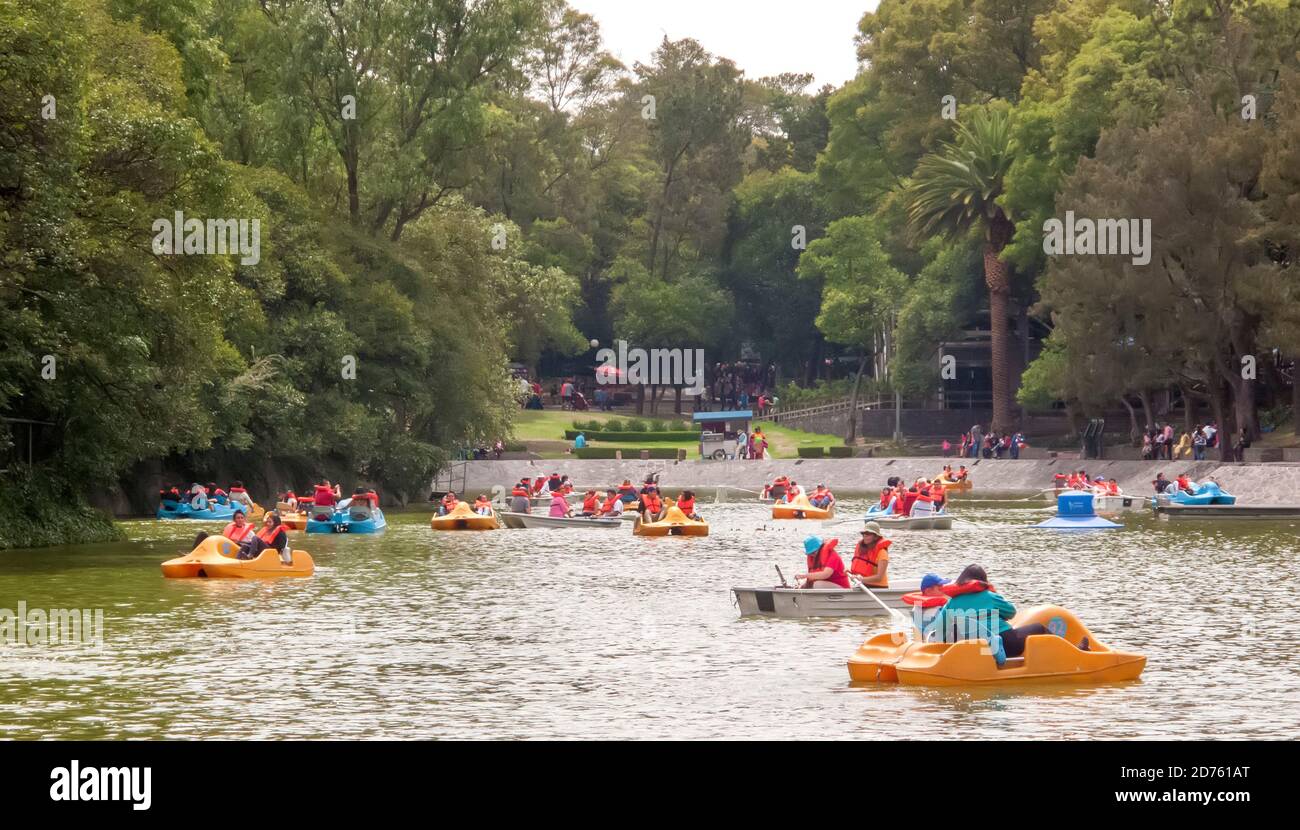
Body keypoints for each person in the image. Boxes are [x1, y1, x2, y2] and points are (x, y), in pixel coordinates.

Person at [929, 565, 1075, 664]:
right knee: (1040, 628)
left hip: (971, 649)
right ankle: (1072, 654)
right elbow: (1011, 612)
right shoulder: (990, 596)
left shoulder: (951, 603)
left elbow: (940, 630)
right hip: (1008, 643)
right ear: (982, 582)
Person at [902, 573, 951, 641]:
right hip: (938, 646)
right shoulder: (940, 610)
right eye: (940, 589)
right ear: (928, 591)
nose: (944, 592)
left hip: (924, 644)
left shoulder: (916, 607)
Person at [850, 521, 891, 587]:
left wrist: (862, 579)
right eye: (863, 534)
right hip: (863, 585)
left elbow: (879, 578)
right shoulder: (863, 551)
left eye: (868, 534)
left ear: (876, 537)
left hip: (879, 588)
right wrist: (852, 575)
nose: (865, 536)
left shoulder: (882, 553)